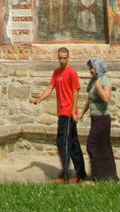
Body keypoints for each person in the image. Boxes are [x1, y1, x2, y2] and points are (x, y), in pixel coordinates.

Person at [32, 46, 86, 183]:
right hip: (61, 112)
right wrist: (40, 99)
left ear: (68, 58)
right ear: (58, 58)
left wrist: (75, 111)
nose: (62, 60)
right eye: (60, 58)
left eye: (64, 58)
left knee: (64, 143)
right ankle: (81, 174)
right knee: (73, 143)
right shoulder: (56, 73)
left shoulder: (71, 73)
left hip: (68, 113)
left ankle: (65, 176)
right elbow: (50, 88)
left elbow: (76, 92)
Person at [78, 56, 118, 181]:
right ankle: (105, 176)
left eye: (93, 68)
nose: (91, 70)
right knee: (102, 146)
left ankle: (98, 176)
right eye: (90, 68)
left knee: (92, 145)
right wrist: (81, 114)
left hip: (103, 118)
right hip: (95, 117)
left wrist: (98, 85)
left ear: (98, 67)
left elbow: (106, 98)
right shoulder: (92, 81)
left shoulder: (104, 80)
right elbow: (89, 99)